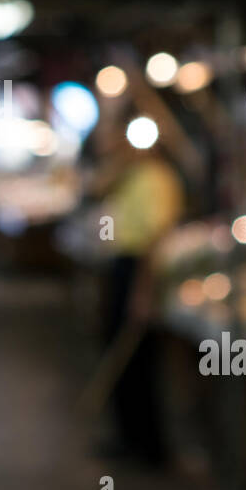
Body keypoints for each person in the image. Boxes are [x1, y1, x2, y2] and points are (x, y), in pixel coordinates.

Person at [93, 129, 184, 466]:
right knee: (121, 356)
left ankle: (148, 447)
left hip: (139, 271)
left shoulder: (157, 179)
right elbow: (99, 188)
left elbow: (154, 240)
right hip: (122, 267)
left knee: (138, 362)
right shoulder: (130, 176)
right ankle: (127, 438)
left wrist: (143, 292)